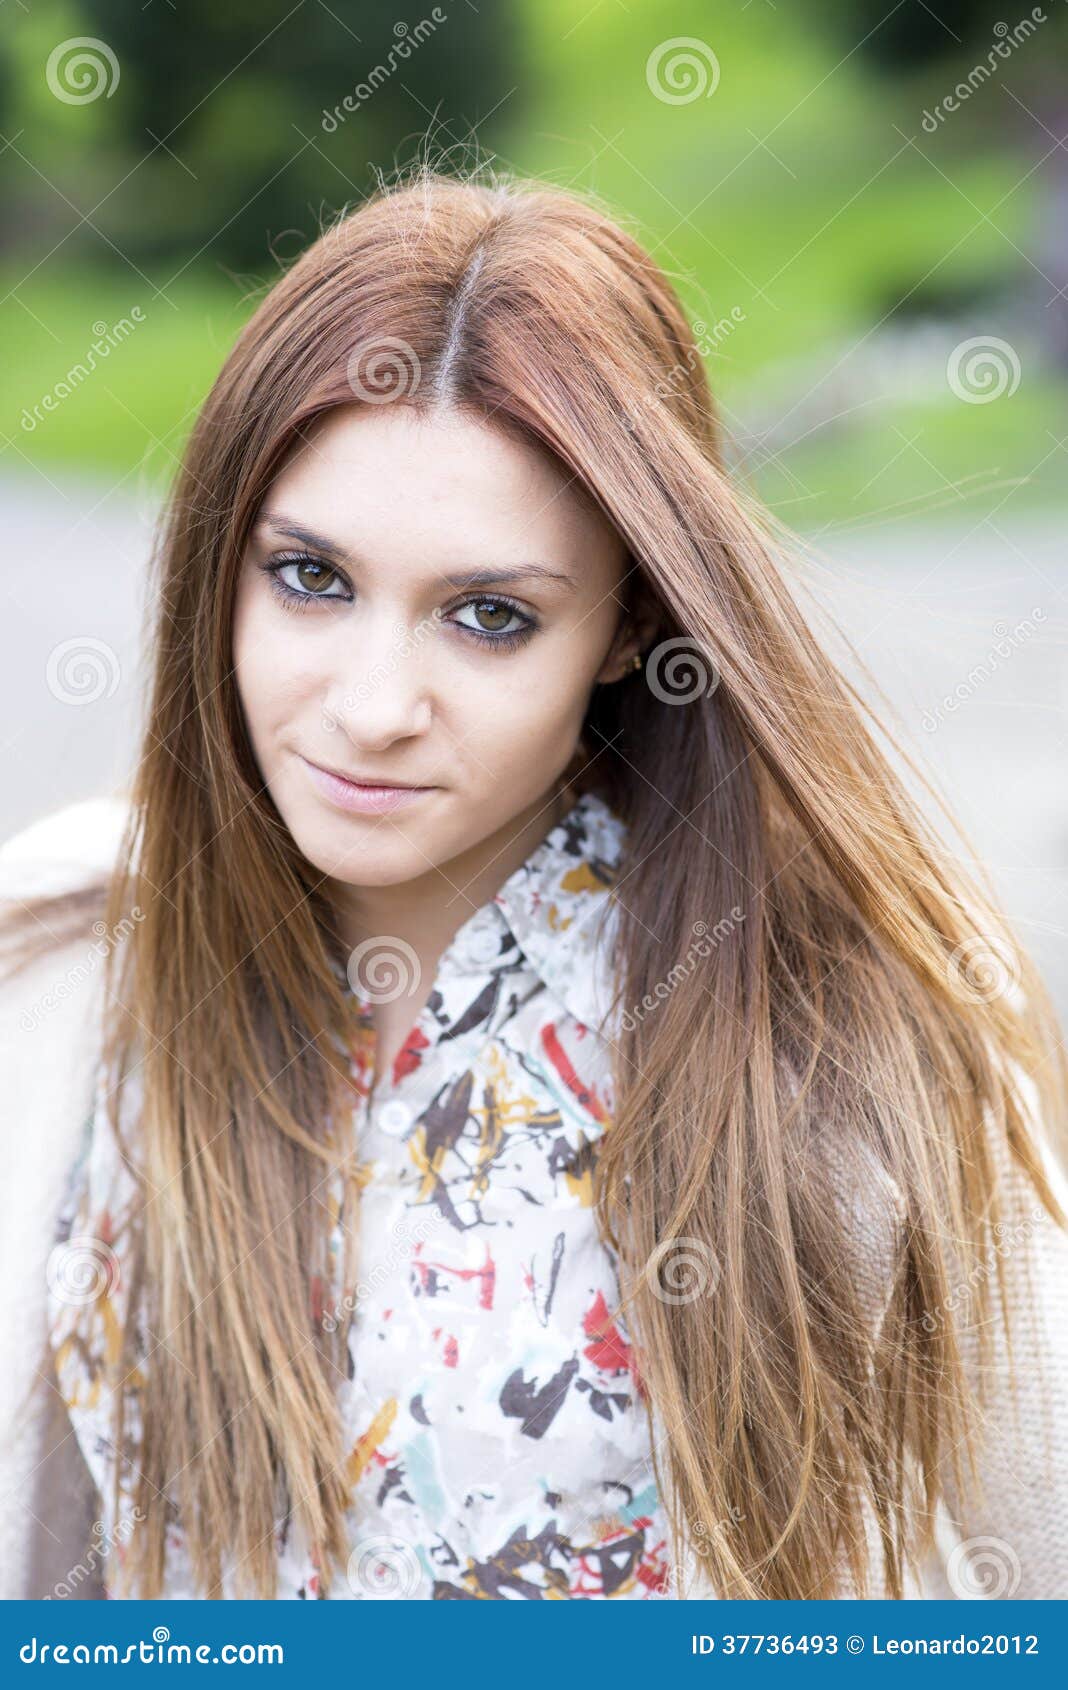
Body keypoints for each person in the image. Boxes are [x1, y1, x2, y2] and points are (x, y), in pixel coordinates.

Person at [1, 166, 1066, 1603]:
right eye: (311, 578)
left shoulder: (833, 1039)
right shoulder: (61, 948)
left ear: (630, 623)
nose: (373, 705)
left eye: (489, 615)